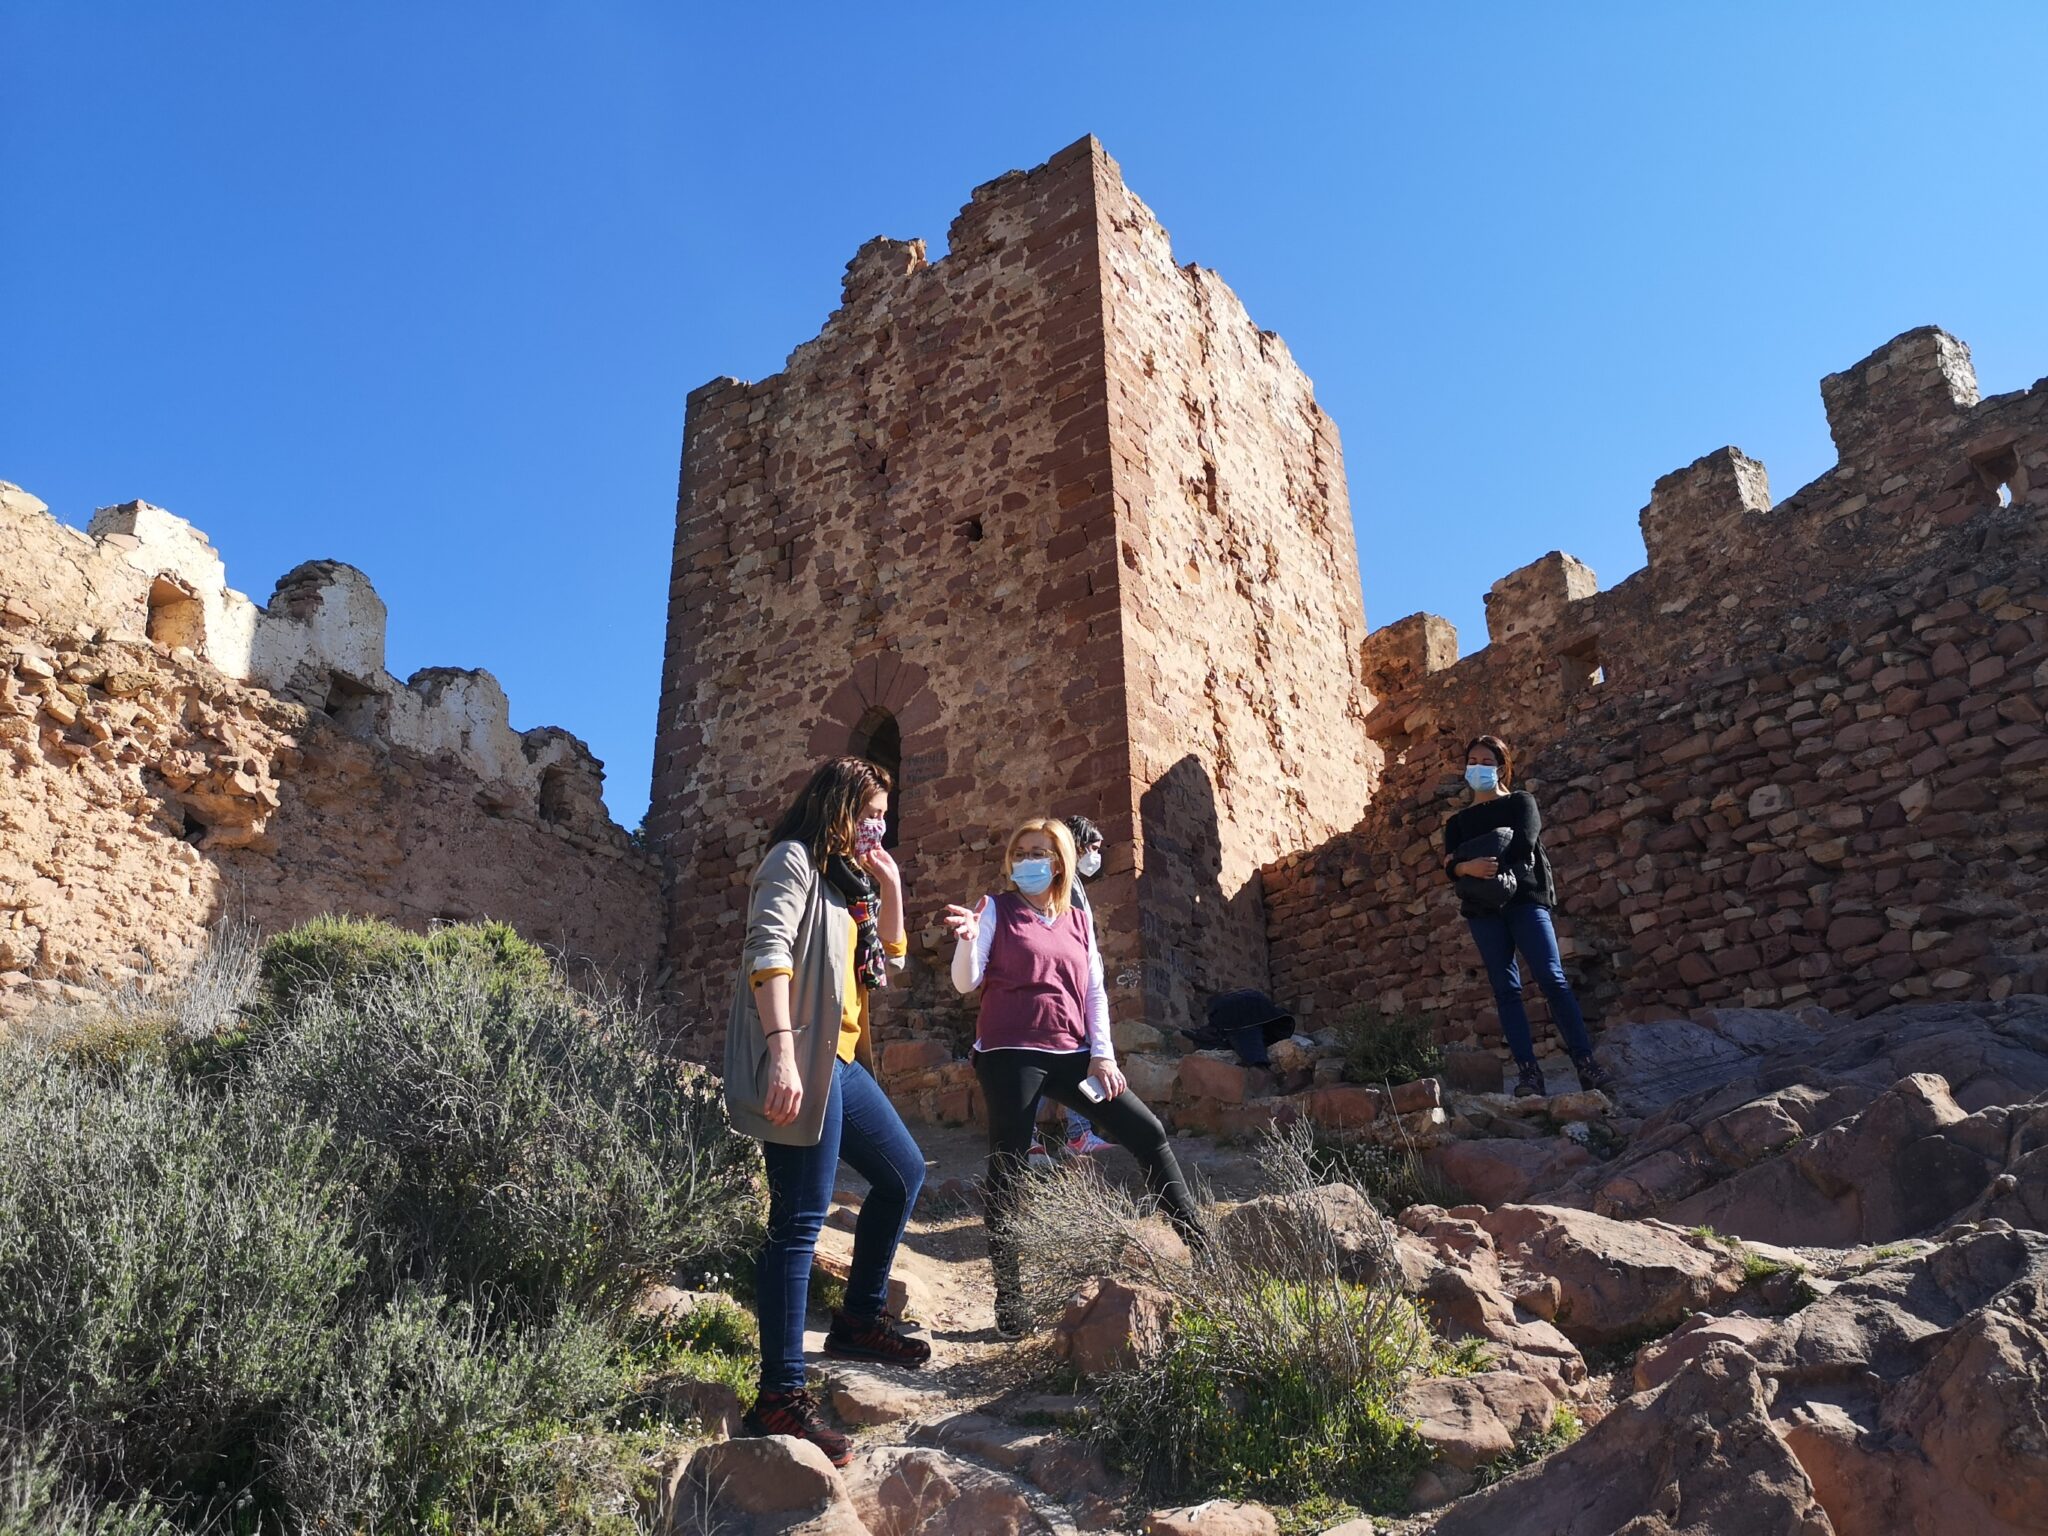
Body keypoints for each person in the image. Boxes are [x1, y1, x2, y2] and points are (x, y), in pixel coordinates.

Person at [724, 756, 929, 1467]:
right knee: (798, 1224)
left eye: (885, 814)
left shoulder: (850, 885)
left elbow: (890, 963)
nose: (879, 824)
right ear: (839, 807)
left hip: (841, 1062)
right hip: (802, 1058)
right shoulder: (792, 862)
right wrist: (781, 1050)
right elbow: (767, 950)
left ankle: (859, 1321)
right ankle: (778, 1396)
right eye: (870, 811)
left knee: (903, 1174)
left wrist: (892, 884)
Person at [943, 818, 1205, 1338]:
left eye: (1039, 851)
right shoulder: (995, 908)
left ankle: (1204, 1250)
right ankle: (1010, 1296)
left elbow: (1095, 993)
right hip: (1010, 1052)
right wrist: (968, 941)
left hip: (1073, 1054)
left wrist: (1102, 1057)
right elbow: (965, 983)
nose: (1028, 860)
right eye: (1020, 851)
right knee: (1011, 1164)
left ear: (1060, 861)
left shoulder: (1079, 919)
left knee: (1146, 1132)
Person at [1444, 735, 1613, 1099]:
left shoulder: (1521, 802)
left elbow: (1525, 841)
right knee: (1506, 990)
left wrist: (1478, 864)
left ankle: (1585, 1064)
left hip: (1525, 900)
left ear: (1501, 767)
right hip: (1483, 910)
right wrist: (1468, 867)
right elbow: (1449, 866)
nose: (1477, 767)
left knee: (1553, 978)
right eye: (1472, 760)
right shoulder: (1457, 823)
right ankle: (1529, 1075)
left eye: (1486, 761)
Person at [1057, 814, 1113, 1156]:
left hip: (1074, 982)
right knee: (1073, 1056)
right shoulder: (1065, 883)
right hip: (1069, 985)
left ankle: (1074, 1132)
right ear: (1076, 845)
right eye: (1092, 847)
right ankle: (1077, 1133)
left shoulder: (1074, 884)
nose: (1096, 855)